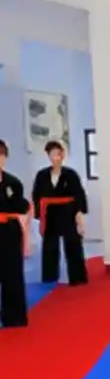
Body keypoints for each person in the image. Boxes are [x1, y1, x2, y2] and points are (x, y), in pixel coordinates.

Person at [31, 140, 89, 286]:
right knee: (50, 245)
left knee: (72, 244)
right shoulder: (42, 175)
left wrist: (79, 213)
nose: (54, 158)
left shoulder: (70, 175)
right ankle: (49, 277)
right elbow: (36, 194)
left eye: (57, 154)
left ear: (62, 155)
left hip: (68, 212)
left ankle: (78, 277)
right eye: (51, 155)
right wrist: (39, 214)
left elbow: (79, 194)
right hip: (50, 213)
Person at [0, 140, 33, 328]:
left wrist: (27, 240)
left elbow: (23, 212)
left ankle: (14, 317)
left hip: (9, 232)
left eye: (1, 156)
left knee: (12, 274)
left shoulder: (13, 183)